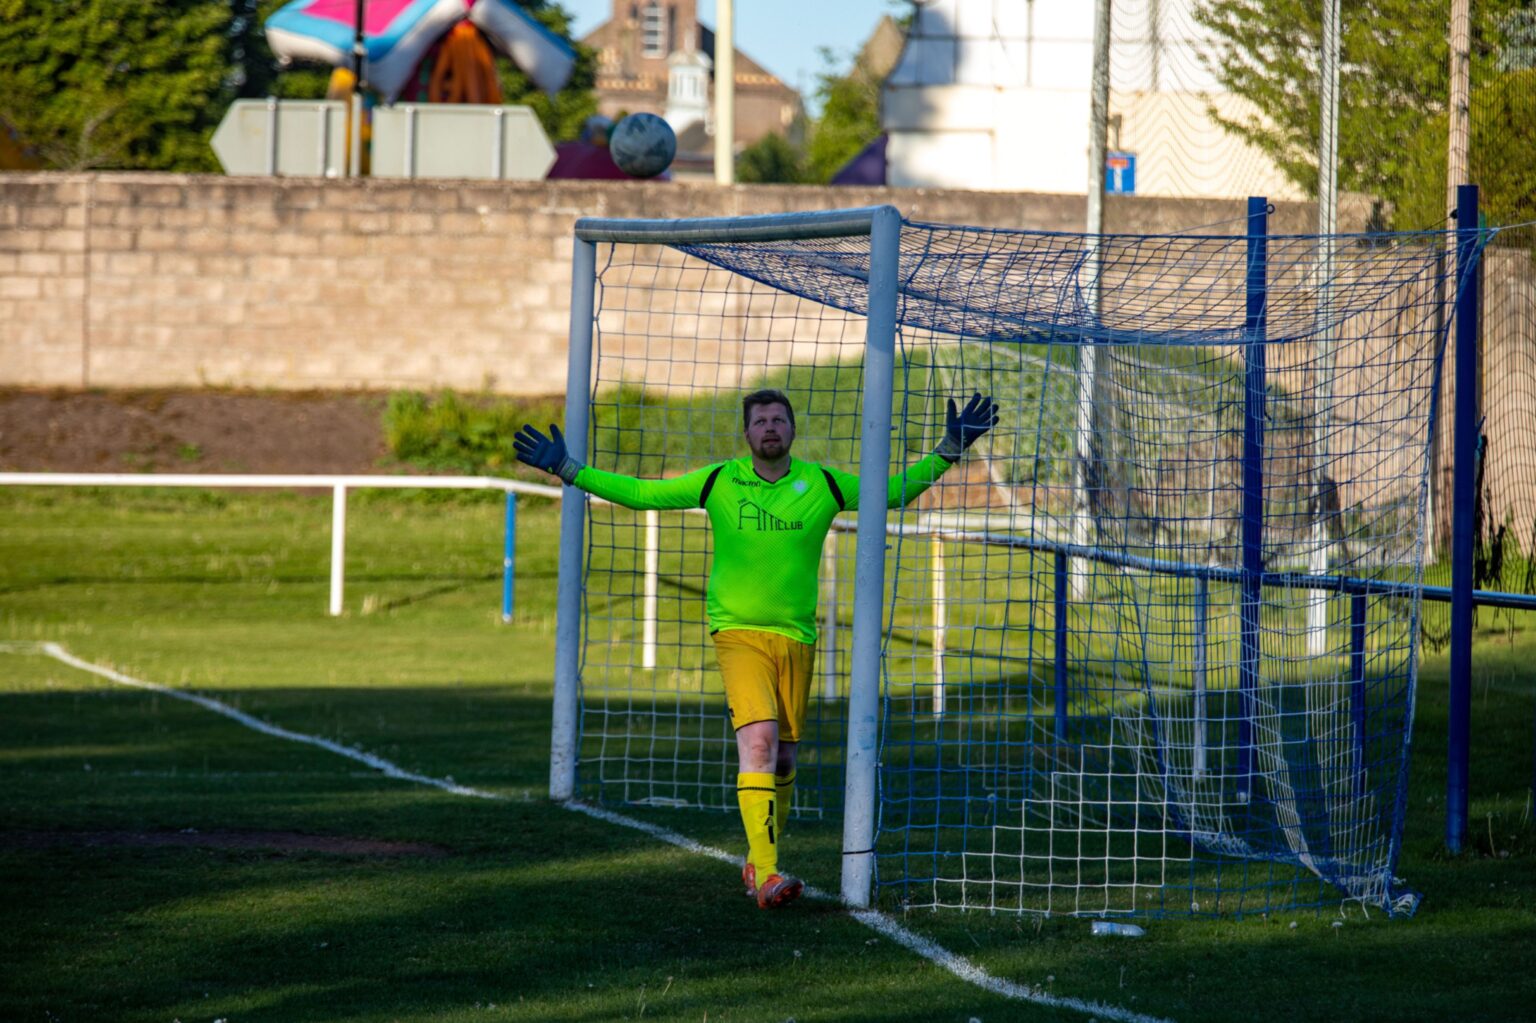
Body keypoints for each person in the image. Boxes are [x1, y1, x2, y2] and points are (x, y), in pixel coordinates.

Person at [514, 388, 999, 909]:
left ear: (793, 430)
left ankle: (755, 858)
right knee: (761, 745)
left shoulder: (823, 483)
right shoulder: (719, 480)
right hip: (737, 633)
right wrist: (569, 469)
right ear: (746, 433)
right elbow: (642, 493)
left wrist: (949, 449)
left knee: (784, 756)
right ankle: (767, 875)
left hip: (797, 638)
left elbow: (894, 492)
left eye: (778, 419)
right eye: (760, 420)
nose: (770, 427)